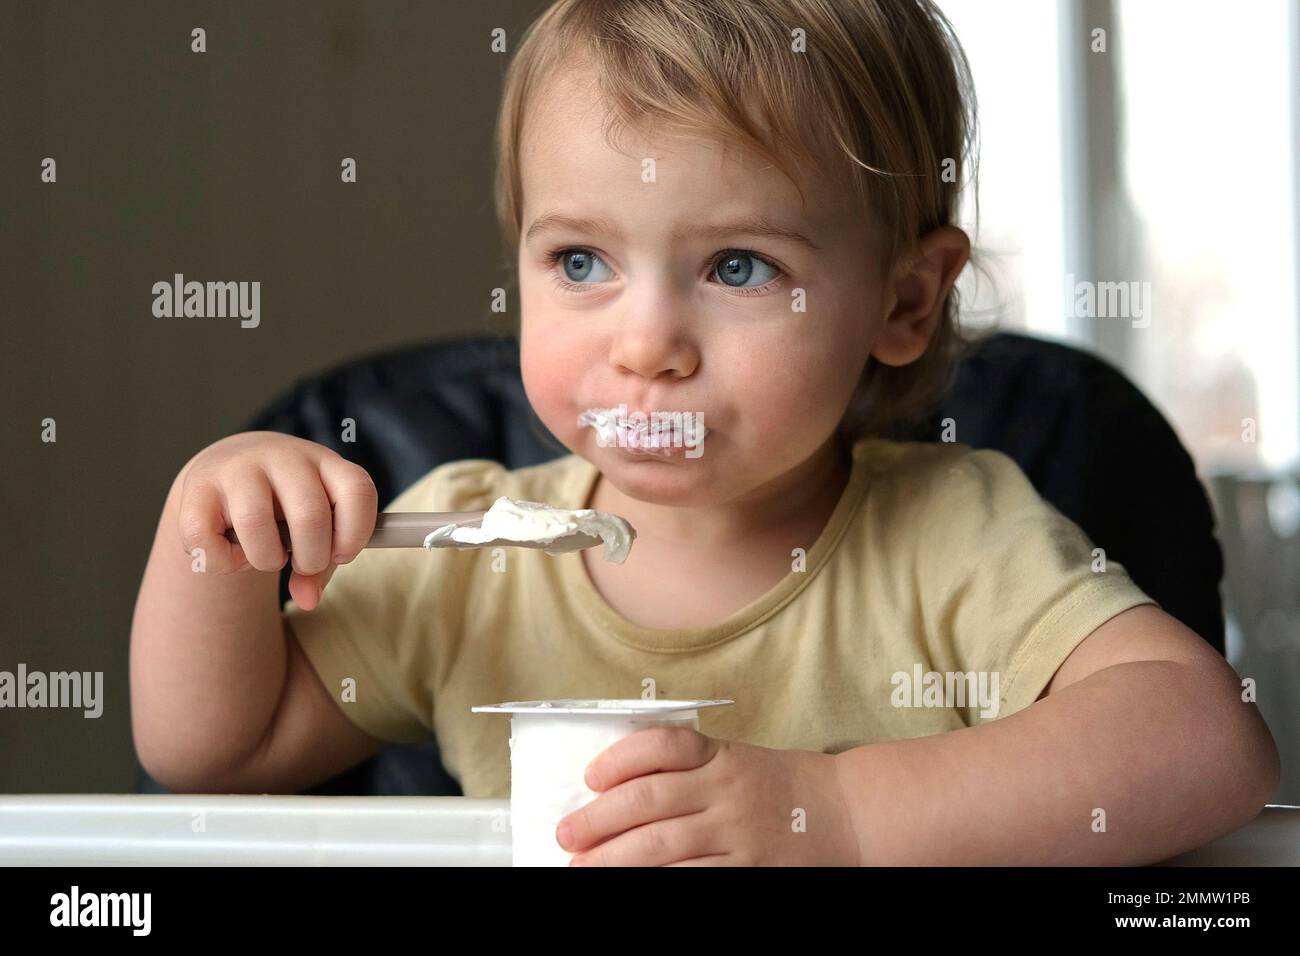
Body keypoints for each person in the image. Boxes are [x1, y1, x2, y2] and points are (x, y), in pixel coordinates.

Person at [130, 0, 1279, 865]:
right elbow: (214, 750)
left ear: (902, 302)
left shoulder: (953, 534)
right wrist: (210, 535)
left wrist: (833, 813)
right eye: (580, 261)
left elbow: (1206, 740)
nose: (646, 343)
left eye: (738, 266)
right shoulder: (475, 547)